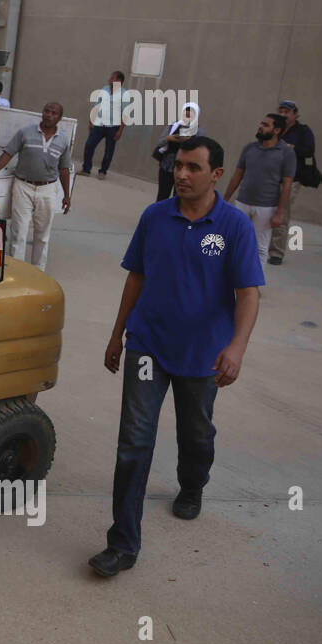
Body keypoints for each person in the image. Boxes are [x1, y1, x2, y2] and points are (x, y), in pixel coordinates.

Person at [91, 136, 263, 578]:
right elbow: (136, 278)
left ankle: (193, 484)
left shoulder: (234, 227)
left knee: (196, 430)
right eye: (178, 166)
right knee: (134, 441)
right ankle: (123, 544)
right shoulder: (155, 216)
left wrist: (236, 348)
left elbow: (248, 293)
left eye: (192, 167)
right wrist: (117, 335)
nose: (181, 174)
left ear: (216, 175)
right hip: (148, 344)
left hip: (203, 355)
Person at [0, 102, 73, 271]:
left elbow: (64, 169)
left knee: (42, 235)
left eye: (54, 113)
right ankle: (16, 271)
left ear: (59, 117)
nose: (49, 115)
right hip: (23, 186)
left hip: (48, 189)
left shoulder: (63, 140)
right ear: (42, 113)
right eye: (46, 111)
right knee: (19, 232)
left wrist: (67, 196)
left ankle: (37, 272)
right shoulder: (25, 133)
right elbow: (7, 154)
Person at [223, 114, 294, 262]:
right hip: (242, 203)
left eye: (266, 125)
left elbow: (287, 185)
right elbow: (237, 176)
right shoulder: (249, 148)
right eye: (261, 123)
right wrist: (224, 200)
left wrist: (280, 212)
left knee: (260, 248)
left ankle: (254, 284)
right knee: (234, 243)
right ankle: (232, 279)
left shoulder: (286, 153)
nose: (260, 126)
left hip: (266, 208)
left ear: (276, 130)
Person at [269, 101, 317, 266]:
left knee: (282, 213)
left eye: (287, 111)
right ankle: (260, 246)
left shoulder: (303, 131)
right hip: (271, 177)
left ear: (295, 114)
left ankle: (276, 252)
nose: (283, 114)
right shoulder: (275, 128)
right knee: (263, 212)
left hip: (292, 179)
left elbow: (309, 151)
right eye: (280, 111)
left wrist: (292, 147)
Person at [80, 70, 127, 179]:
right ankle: (86, 169)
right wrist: (91, 120)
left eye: (112, 78)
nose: (110, 79)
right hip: (99, 124)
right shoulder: (105, 89)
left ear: (119, 81)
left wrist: (120, 131)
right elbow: (97, 105)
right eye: (111, 77)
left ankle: (103, 172)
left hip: (113, 127)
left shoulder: (124, 94)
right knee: (89, 146)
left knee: (109, 151)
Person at [152, 102, 200, 201]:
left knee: (178, 197)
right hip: (167, 165)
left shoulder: (199, 131)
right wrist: (169, 138)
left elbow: (199, 151)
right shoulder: (173, 126)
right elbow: (160, 142)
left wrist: (188, 141)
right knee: (162, 195)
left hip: (185, 169)